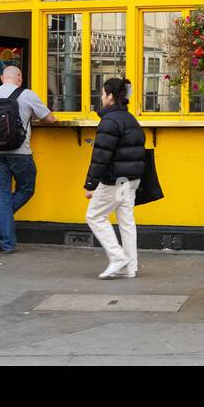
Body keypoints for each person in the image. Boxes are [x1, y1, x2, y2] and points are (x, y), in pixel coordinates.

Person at [0, 64, 55, 253]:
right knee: (26, 189)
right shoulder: (27, 95)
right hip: (20, 152)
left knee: (2, 196)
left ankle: (6, 240)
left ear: (2, 78)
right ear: (19, 77)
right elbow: (50, 119)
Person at [84, 77, 147, 279]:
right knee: (126, 221)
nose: (101, 97)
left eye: (103, 94)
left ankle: (117, 256)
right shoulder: (130, 119)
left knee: (94, 215)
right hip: (132, 179)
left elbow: (101, 156)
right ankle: (130, 267)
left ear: (111, 97)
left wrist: (90, 184)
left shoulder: (110, 121)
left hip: (116, 180)